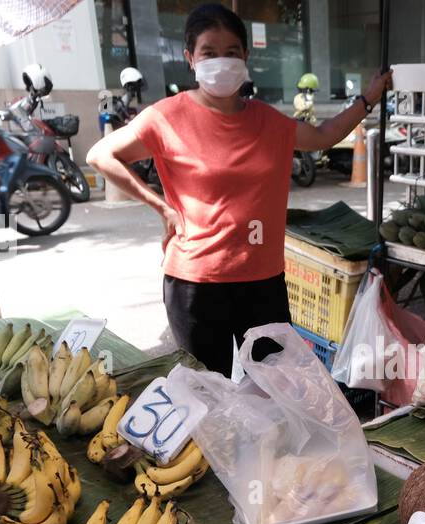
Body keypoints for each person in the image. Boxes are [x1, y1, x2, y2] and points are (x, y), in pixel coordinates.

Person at [86, 4, 392, 376]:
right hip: (196, 284)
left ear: (246, 56)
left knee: (272, 389)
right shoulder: (167, 116)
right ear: (190, 58)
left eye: (231, 52)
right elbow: (101, 155)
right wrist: (160, 206)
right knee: (207, 393)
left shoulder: (269, 121)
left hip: (263, 283)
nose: (221, 62)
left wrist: (368, 98)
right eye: (209, 53)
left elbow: (325, 135)